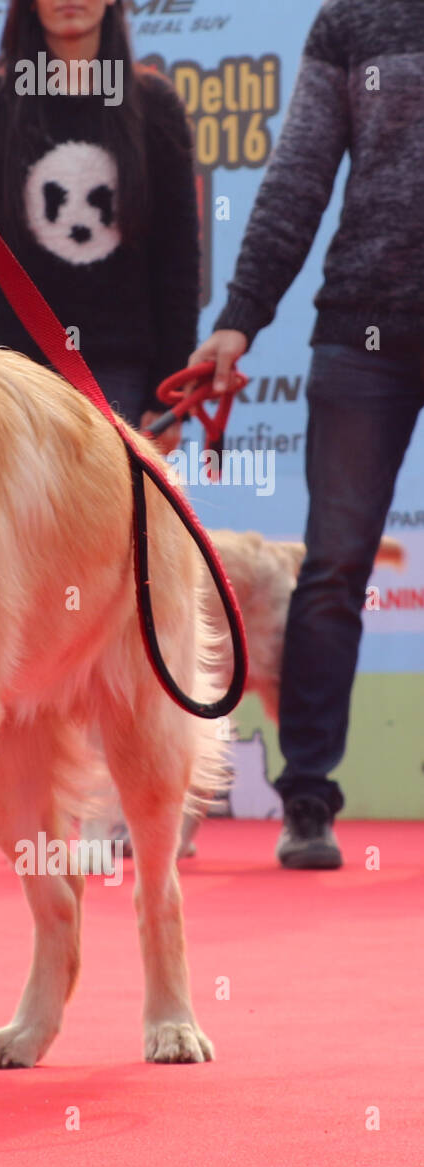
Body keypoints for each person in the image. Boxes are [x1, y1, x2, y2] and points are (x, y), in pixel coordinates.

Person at [191, 0, 423, 870]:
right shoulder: (352, 19)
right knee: (332, 569)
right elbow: (298, 175)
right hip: (362, 330)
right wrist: (240, 320)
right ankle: (309, 803)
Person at [0, 0, 198, 434]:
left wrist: (167, 397)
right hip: (8, 372)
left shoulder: (154, 106)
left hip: (117, 376)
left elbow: (177, 264)